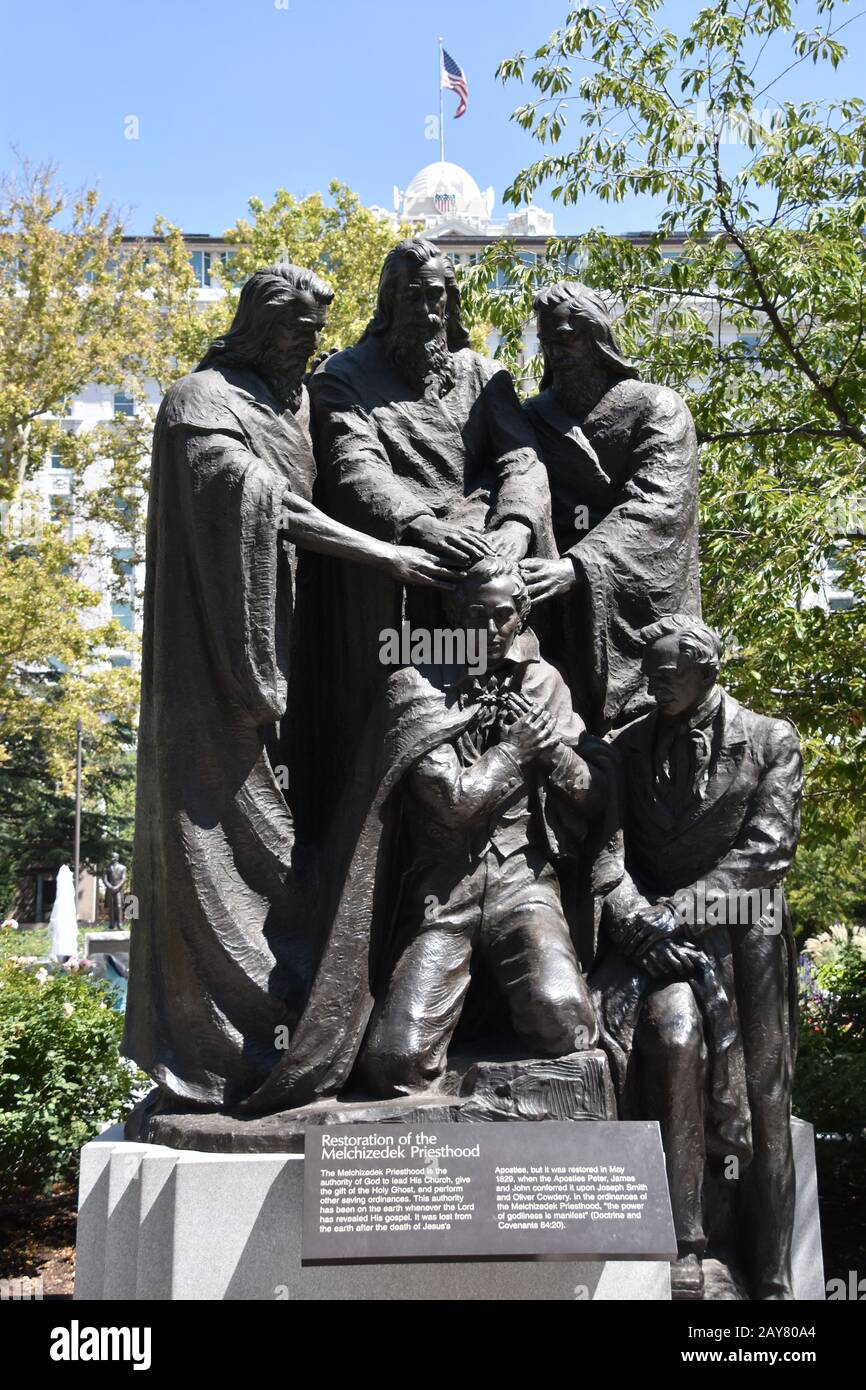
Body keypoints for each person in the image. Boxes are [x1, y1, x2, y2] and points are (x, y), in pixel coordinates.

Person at [123, 262, 457, 1113]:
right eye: (299, 332)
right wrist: (382, 554)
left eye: (318, 335)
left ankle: (310, 1035)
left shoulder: (300, 404)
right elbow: (260, 503)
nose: (310, 348)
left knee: (312, 841)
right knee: (226, 845)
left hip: (300, 654)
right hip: (215, 680)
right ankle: (221, 1063)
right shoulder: (200, 400)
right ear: (262, 324)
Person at [243, 557, 621, 1113]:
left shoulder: (545, 683)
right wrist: (515, 751)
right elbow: (453, 803)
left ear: (522, 616)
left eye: (503, 616)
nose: (490, 631)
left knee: (567, 1023)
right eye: (475, 616)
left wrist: (553, 751)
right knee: (395, 1062)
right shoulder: (415, 687)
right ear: (451, 614)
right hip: (443, 894)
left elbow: (591, 794)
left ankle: (516, 1103)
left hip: (525, 885)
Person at [292, 237, 557, 839]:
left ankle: (520, 815)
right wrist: (421, 525)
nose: (425, 310)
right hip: (401, 569)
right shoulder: (344, 377)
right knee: (400, 708)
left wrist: (516, 526)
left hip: (488, 557)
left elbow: (524, 461)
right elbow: (354, 466)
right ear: (386, 302)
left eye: (435, 297)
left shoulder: (485, 377)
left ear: (452, 301)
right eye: (409, 297)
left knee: (510, 655)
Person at [591, 615, 802, 1300]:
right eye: (649, 674)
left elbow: (768, 850)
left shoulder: (771, 740)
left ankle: (771, 1277)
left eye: (668, 673)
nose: (655, 685)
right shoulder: (627, 748)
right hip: (659, 944)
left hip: (745, 934)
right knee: (674, 1039)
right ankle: (688, 1244)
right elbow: (608, 853)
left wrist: (677, 908)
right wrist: (634, 920)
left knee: (767, 1104)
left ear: (708, 667)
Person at [521, 283, 701, 732]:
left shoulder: (657, 407)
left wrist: (577, 566)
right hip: (554, 611)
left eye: (568, 339)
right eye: (547, 343)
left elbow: (657, 504)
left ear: (597, 337)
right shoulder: (531, 417)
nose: (557, 354)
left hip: (641, 607)